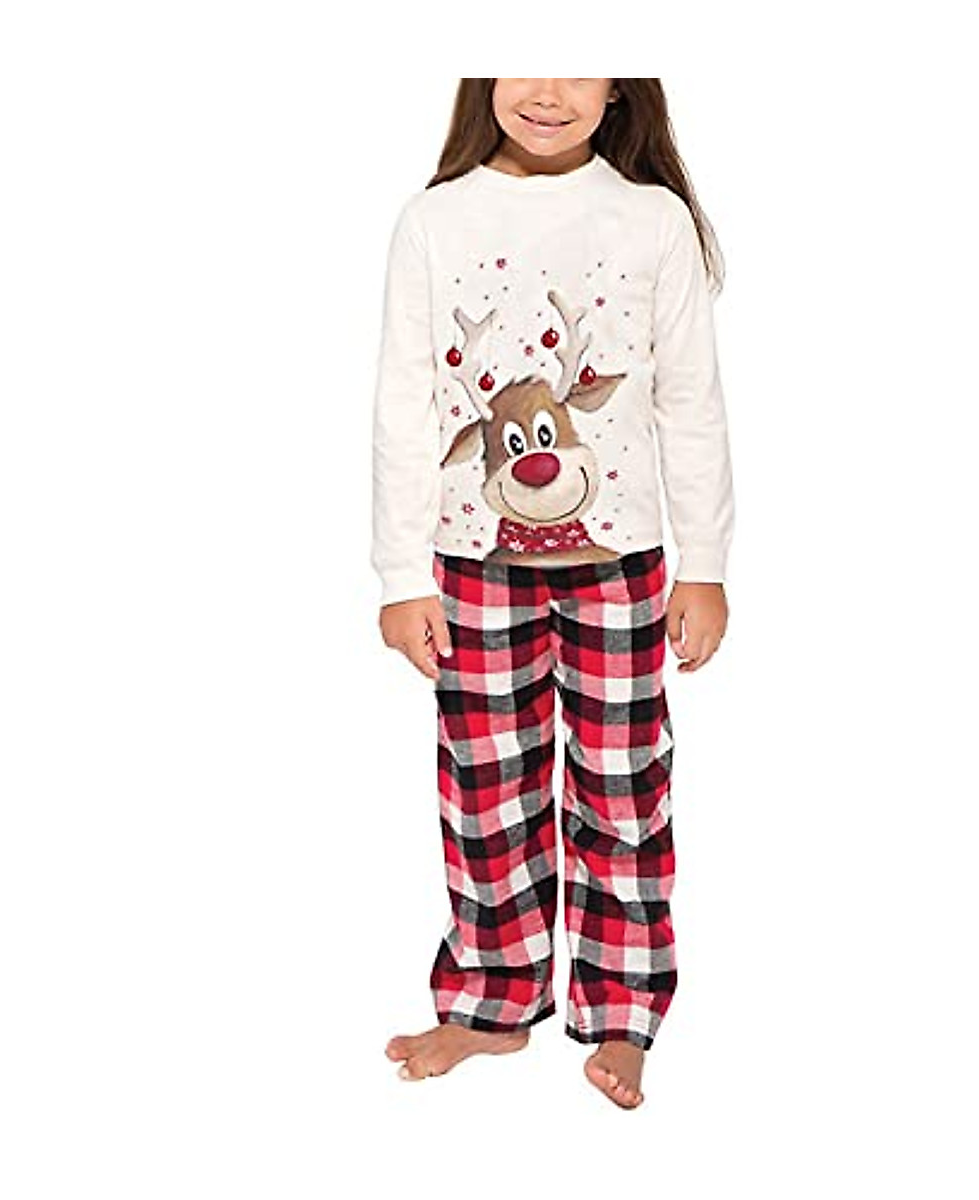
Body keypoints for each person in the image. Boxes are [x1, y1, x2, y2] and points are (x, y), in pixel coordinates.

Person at [370, 79, 735, 1109]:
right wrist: (401, 574)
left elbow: (690, 402)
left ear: (620, 86)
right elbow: (403, 403)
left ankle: (621, 1010)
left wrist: (704, 563)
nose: (547, 90)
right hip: (471, 570)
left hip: (622, 568)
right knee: (489, 795)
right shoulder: (435, 220)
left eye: (581, 60)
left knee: (622, 791)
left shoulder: (652, 220)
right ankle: (492, 1001)